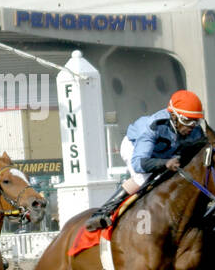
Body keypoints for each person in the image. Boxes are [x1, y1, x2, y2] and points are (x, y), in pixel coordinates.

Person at [85, 90, 207, 231]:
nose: (191, 127)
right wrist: (165, 164)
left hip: (164, 154)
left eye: (196, 121)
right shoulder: (152, 126)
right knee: (143, 179)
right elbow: (139, 164)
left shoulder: (196, 131)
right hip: (135, 147)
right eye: (187, 121)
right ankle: (104, 211)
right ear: (173, 115)